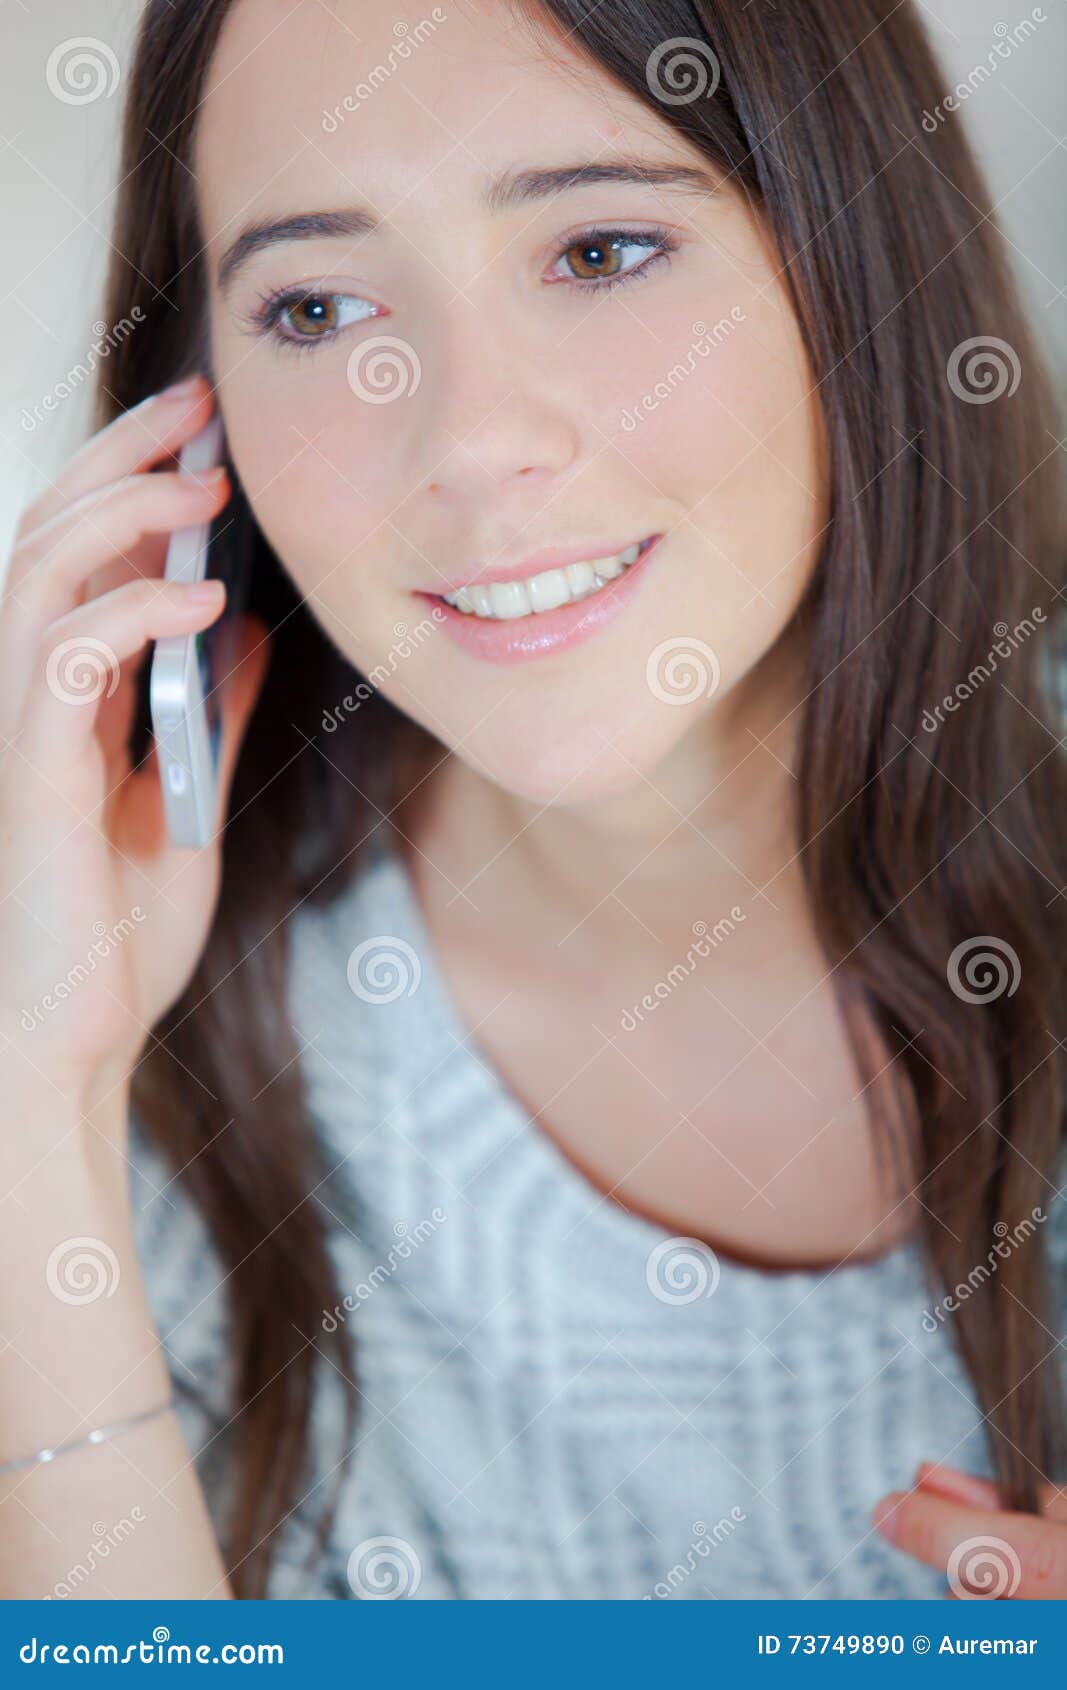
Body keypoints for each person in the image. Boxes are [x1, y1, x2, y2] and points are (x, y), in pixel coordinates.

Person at [1, 0, 1065, 1601]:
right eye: (316, 302)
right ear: (196, 420)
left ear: (851, 251)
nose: (475, 439)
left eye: (599, 252)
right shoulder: (151, 1079)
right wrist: (35, 1100)